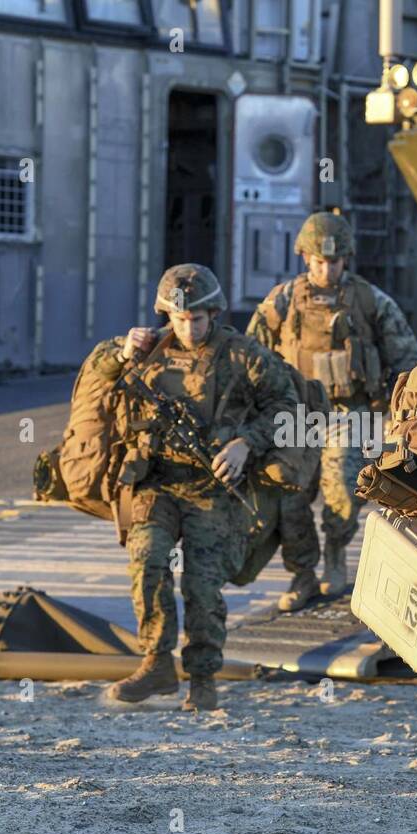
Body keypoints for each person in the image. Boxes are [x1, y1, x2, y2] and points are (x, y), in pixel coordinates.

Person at [101, 264, 298, 711]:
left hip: (214, 487)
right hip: (157, 482)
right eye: (180, 319)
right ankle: (156, 662)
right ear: (166, 316)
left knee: (202, 586)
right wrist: (118, 352)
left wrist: (245, 444)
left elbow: (286, 403)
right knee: (148, 560)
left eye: (197, 319)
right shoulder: (146, 350)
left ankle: (203, 678)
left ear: (214, 312)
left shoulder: (242, 355)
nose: (188, 328)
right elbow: (98, 382)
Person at [247, 212, 417, 611]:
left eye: (335, 261)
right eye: (319, 261)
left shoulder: (370, 300)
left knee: (342, 486)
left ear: (348, 259)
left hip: (351, 413)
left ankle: (335, 556)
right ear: (305, 258)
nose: (327, 269)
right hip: (297, 415)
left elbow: (407, 360)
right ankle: (302, 573)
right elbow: (251, 354)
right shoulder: (283, 300)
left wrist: (400, 418)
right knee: (289, 495)